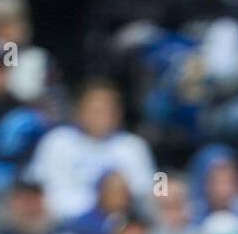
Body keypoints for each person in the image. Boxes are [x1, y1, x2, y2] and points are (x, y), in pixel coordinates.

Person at [28, 79, 157, 221]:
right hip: (66, 224)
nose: (100, 116)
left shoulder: (132, 146)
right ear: (78, 111)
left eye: (107, 110)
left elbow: (144, 193)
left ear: (118, 114)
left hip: (119, 226)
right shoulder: (58, 141)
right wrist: (97, 205)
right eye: (94, 109)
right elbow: (44, 191)